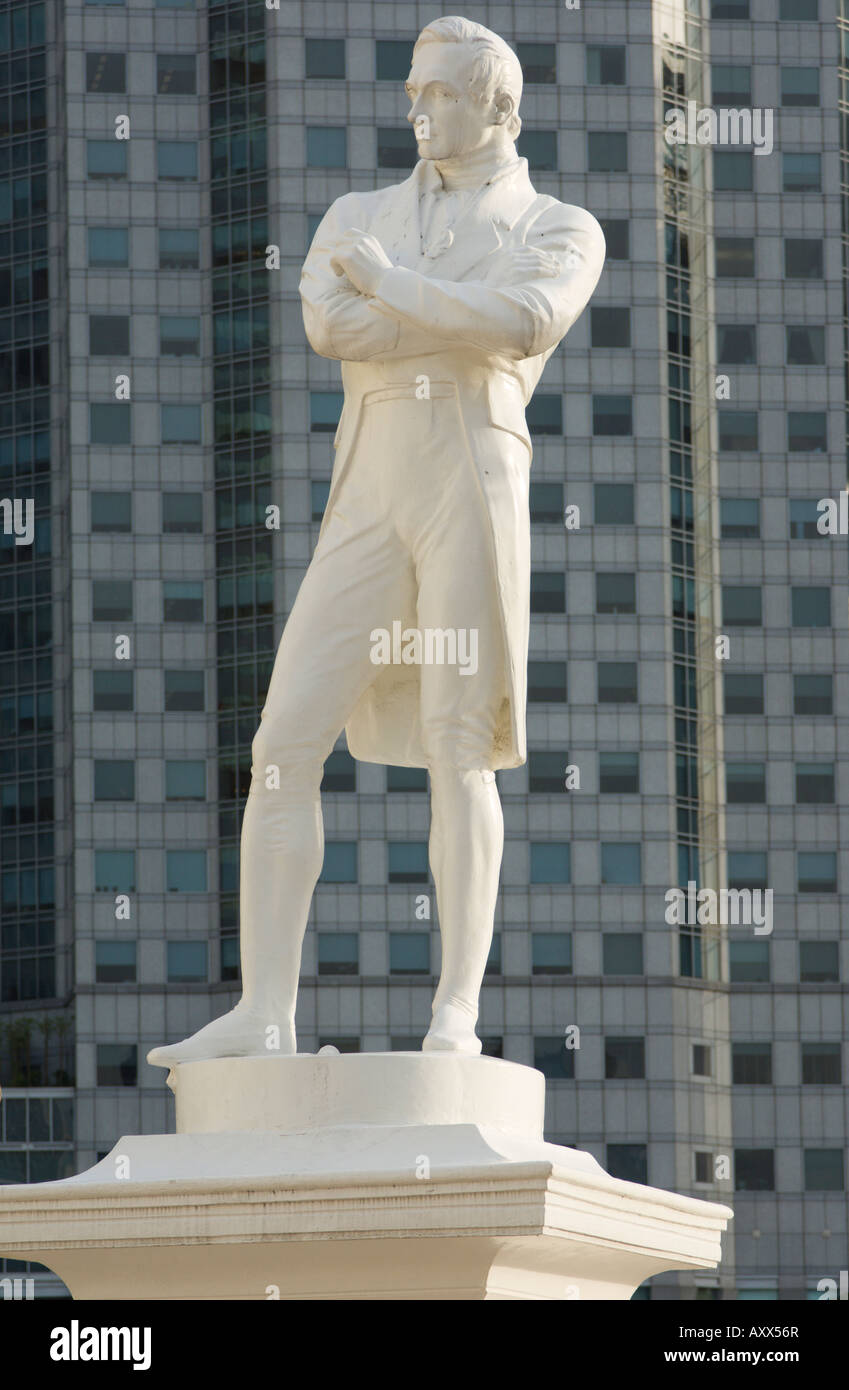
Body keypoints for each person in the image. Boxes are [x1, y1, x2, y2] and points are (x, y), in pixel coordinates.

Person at [147, 15, 605, 1069]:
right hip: (369, 490)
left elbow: (525, 320)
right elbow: (326, 327)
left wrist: (393, 287)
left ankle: (455, 1011)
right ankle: (265, 1010)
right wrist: (449, 313)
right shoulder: (359, 211)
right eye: (413, 88)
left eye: (438, 92)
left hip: (469, 483)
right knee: (279, 746)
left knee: (458, 743)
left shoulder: (560, 223)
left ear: (498, 103)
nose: (416, 108)